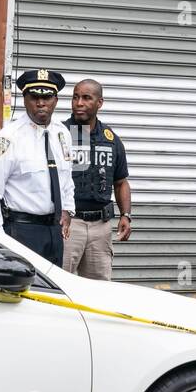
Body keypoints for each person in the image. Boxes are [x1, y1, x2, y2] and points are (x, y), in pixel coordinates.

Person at [0, 69, 76, 264]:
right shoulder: (8, 138)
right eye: (34, 97)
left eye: (47, 97)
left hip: (54, 231)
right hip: (20, 232)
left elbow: (66, 178)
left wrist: (67, 208)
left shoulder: (62, 133)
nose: (41, 103)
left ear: (56, 100)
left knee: (52, 291)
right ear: (24, 99)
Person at [63, 78, 132, 280]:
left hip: (100, 228)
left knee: (99, 290)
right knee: (59, 285)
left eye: (86, 98)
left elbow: (121, 182)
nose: (79, 103)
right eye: (75, 97)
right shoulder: (63, 134)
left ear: (99, 103)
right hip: (69, 225)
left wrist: (125, 215)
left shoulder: (110, 139)